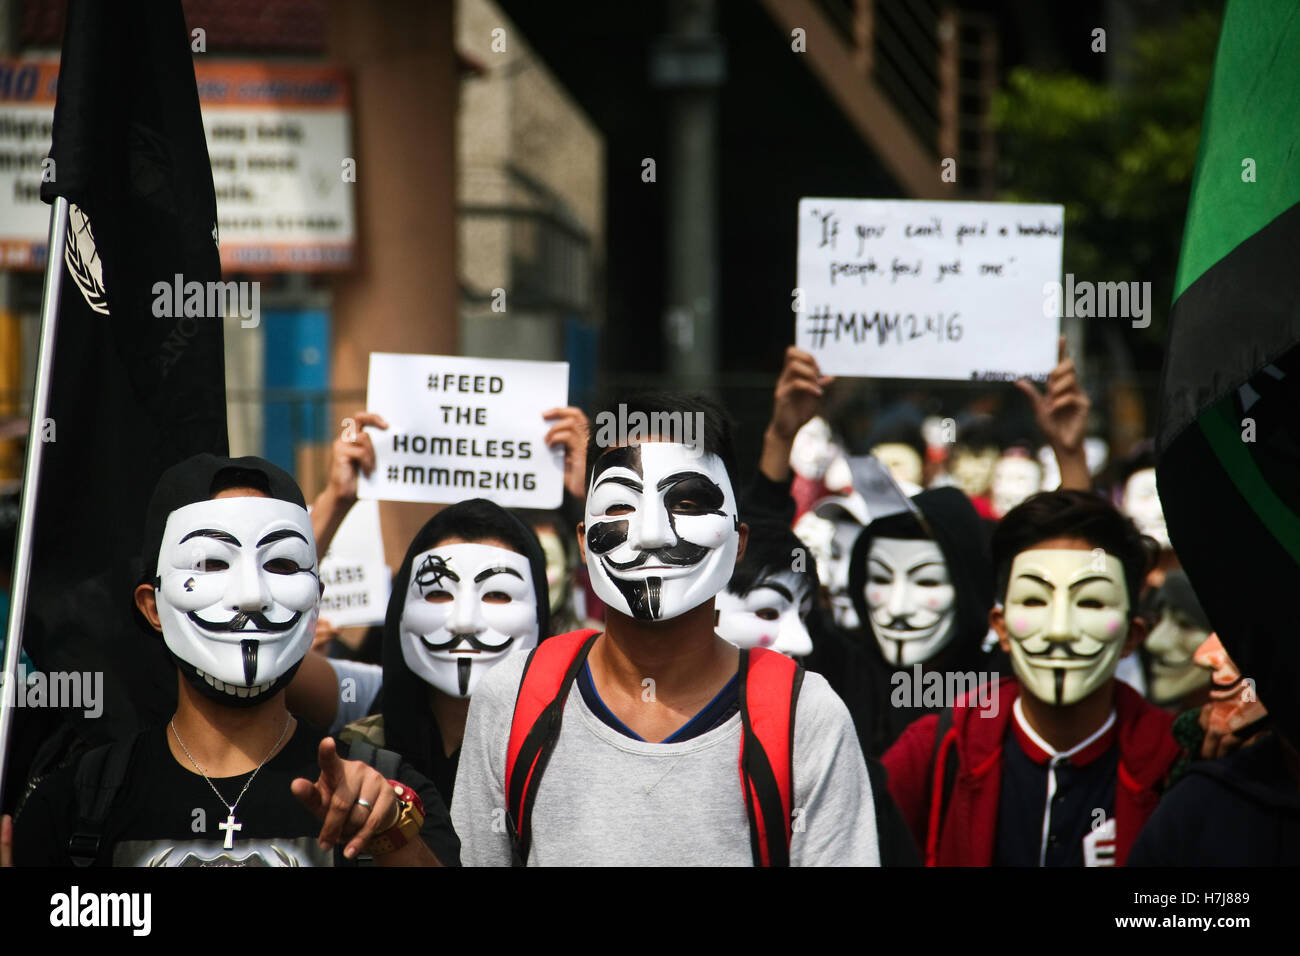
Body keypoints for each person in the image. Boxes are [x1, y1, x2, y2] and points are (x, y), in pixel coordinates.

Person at [452, 392, 879, 865]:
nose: (652, 532)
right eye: (619, 506)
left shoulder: (807, 717)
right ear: (584, 538)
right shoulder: (514, 699)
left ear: (738, 541)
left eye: (689, 502)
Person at [6, 454, 457, 866]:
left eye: (281, 565)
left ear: (317, 600)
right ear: (152, 606)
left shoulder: (383, 791)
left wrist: (392, 837)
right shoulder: (79, 805)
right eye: (209, 564)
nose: (251, 596)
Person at [883, 490, 1181, 866]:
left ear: (1131, 636)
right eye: (1035, 600)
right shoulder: (936, 751)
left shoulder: (1178, 764)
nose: (1060, 630)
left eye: (1090, 602)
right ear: (1001, 627)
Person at [337, 498, 550, 803]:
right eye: (438, 593)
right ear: (401, 607)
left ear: (540, 610)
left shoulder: (564, 757)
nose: (464, 622)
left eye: (498, 594)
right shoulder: (357, 754)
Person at [847, 486, 1001, 756]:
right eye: (881, 579)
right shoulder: (845, 673)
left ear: (969, 587)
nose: (897, 609)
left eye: (927, 581)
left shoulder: (996, 686)